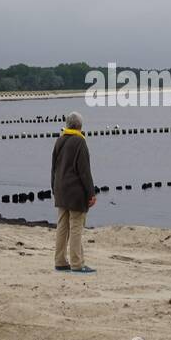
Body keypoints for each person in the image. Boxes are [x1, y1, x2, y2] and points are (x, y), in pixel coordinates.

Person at [52, 112, 96, 273]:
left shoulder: (60, 139)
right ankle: (77, 264)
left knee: (62, 227)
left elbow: (53, 168)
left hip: (60, 189)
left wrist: (54, 188)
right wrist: (91, 193)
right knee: (76, 226)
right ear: (79, 126)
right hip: (75, 192)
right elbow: (84, 171)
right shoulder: (80, 141)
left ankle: (60, 261)